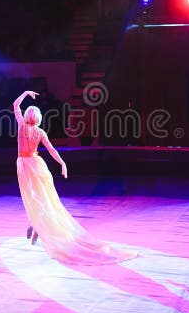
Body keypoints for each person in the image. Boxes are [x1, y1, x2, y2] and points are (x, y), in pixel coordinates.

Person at [13, 90, 138, 264]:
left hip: (25, 164)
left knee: (33, 196)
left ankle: (34, 224)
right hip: (37, 164)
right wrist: (62, 163)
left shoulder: (21, 126)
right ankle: (33, 224)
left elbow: (15, 105)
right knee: (41, 197)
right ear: (39, 118)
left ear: (27, 116)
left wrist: (26, 93)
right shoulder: (40, 132)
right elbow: (51, 150)